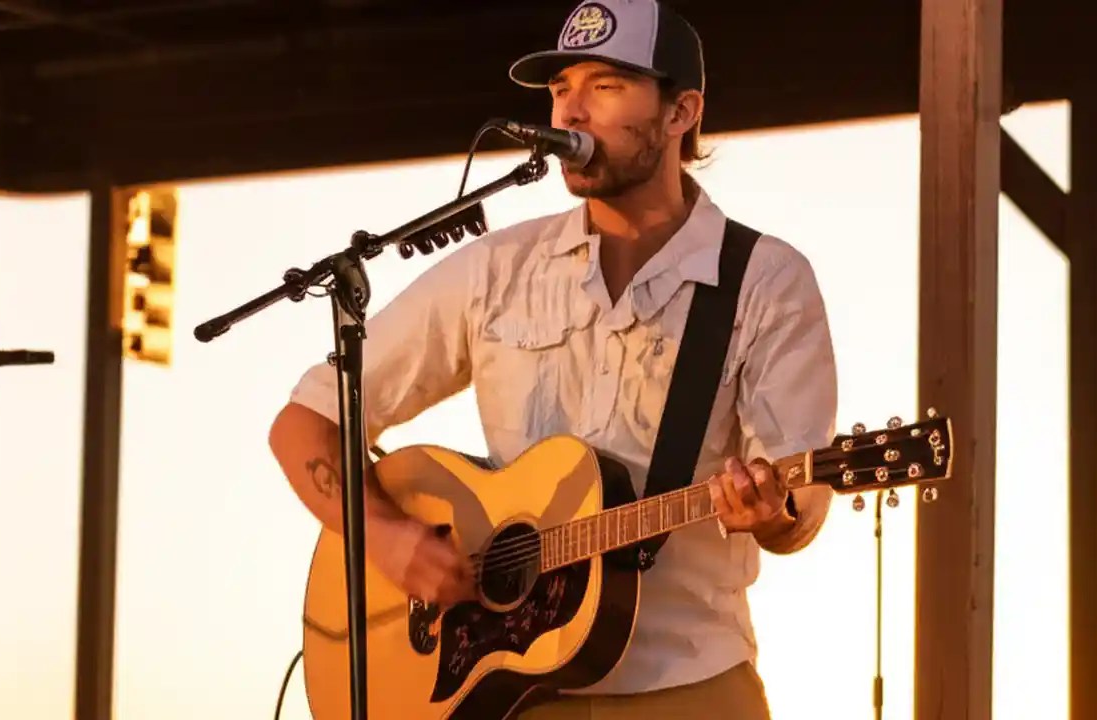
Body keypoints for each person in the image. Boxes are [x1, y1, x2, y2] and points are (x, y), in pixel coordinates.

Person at [268, 0, 839, 717]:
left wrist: (773, 511)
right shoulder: (498, 269)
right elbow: (305, 422)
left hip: (690, 681)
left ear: (680, 111)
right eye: (559, 87)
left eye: (604, 86)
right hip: (506, 690)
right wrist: (387, 538)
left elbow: (800, 493)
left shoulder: (765, 280)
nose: (569, 112)